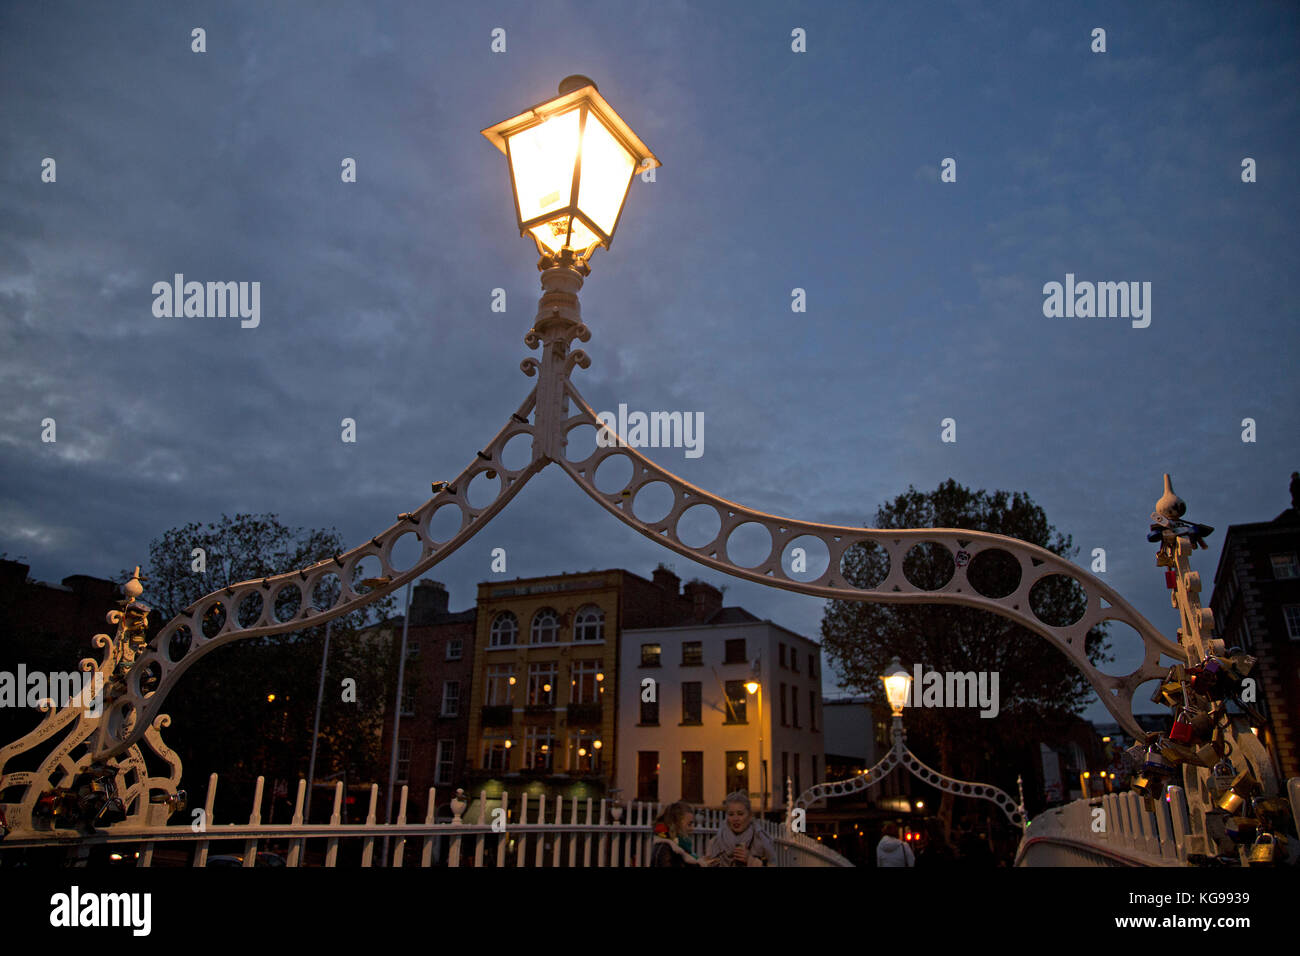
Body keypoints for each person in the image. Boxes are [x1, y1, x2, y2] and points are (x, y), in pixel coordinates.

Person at [705, 791, 776, 867]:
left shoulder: (761, 842)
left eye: (740, 814)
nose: (735, 819)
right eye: (731, 814)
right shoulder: (716, 843)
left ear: (750, 815)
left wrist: (750, 860)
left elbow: (772, 864)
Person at [650, 801, 703, 867]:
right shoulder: (665, 849)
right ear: (675, 824)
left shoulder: (681, 846)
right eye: (689, 824)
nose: (692, 828)